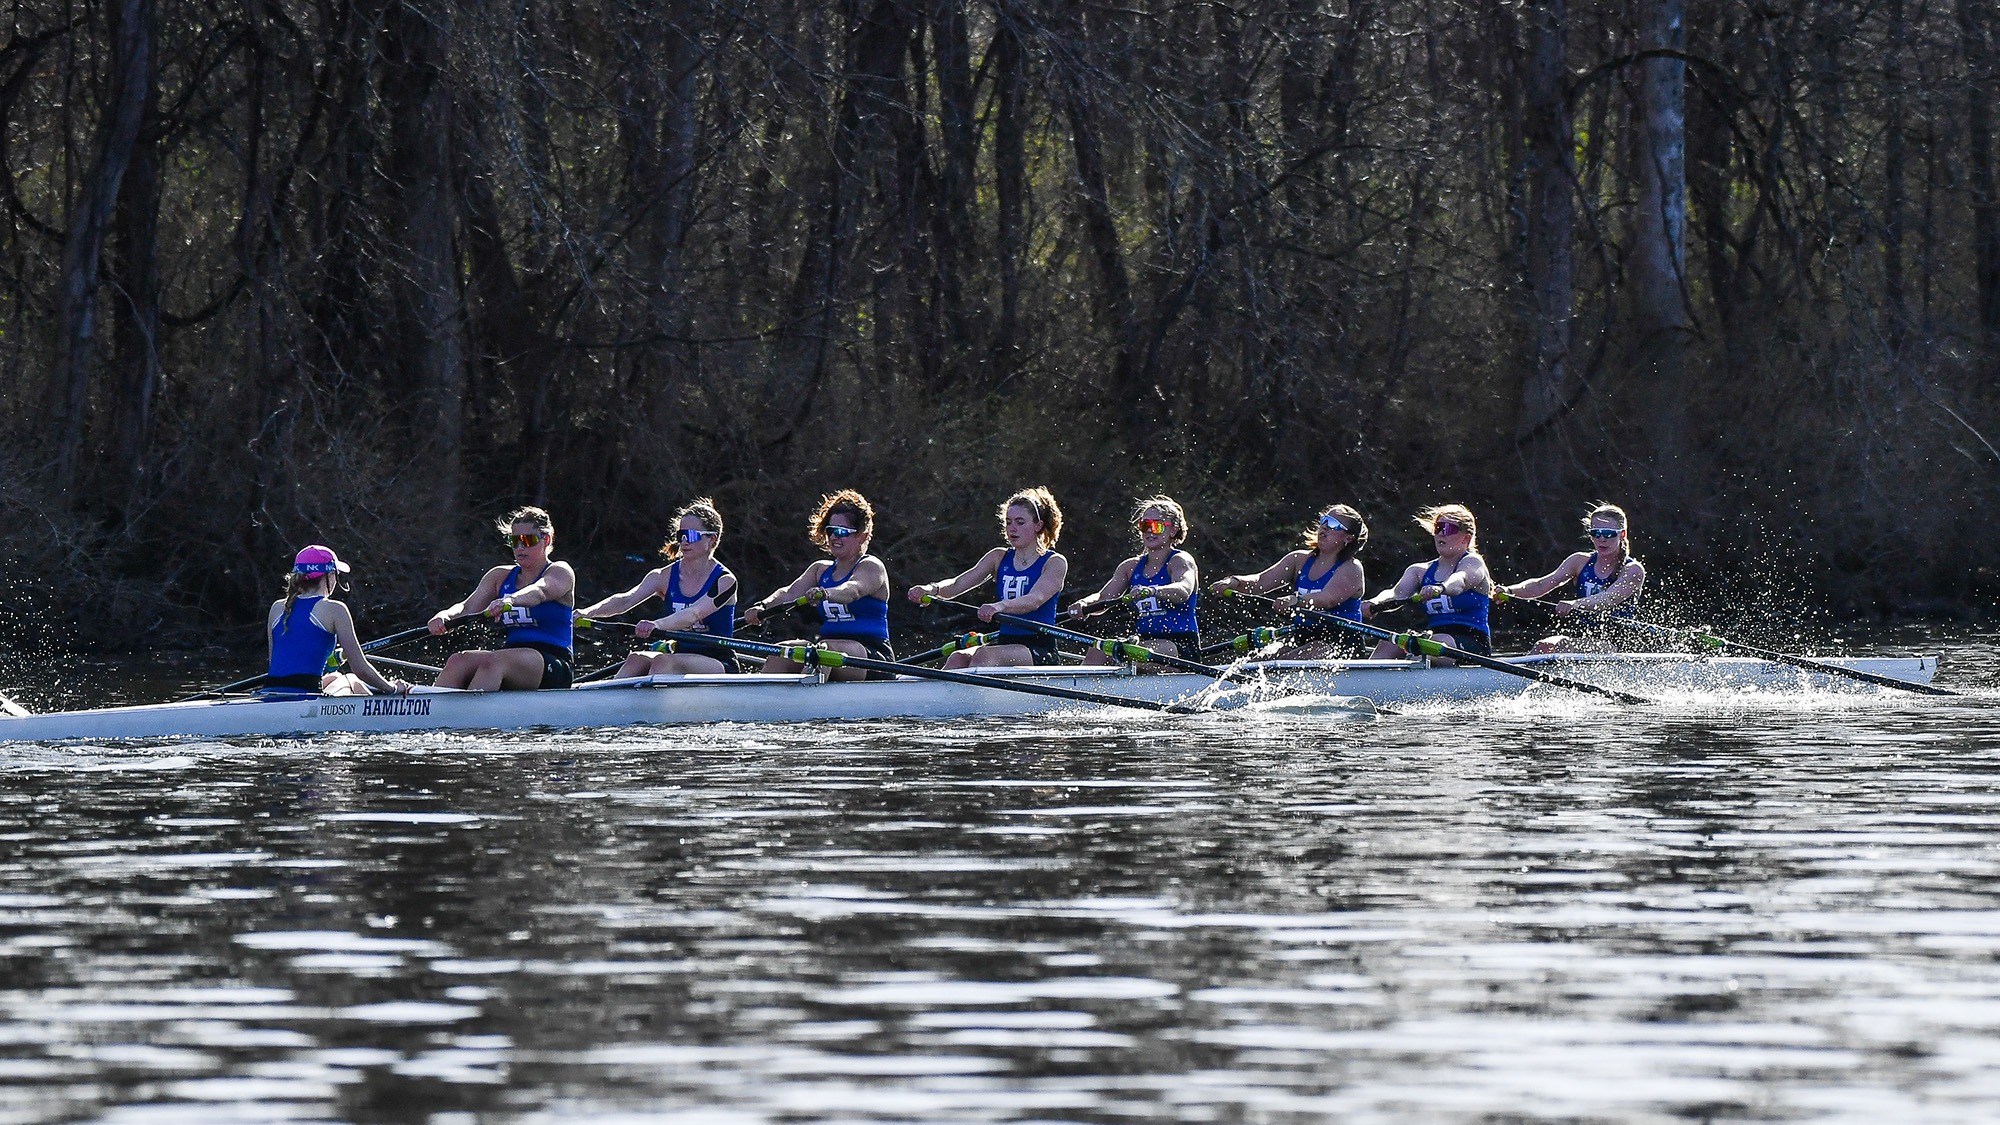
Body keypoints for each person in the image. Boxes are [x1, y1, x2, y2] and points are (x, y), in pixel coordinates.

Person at [908, 487, 1068, 668]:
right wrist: (932, 589)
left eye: (1020, 522)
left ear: (1038, 526)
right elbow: (957, 584)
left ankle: (970, 696)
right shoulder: (998, 557)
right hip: (1005, 642)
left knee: (984, 655)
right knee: (958, 658)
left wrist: (999, 606)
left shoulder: (1054, 562)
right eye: (1008, 522)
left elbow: (1034, 600)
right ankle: (936, 696)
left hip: (1038, 648)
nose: (1012, 528)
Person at [745, 490, 894, 681]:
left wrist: (825, 594)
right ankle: (759, 701)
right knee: (782, 652)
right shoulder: (820, 570)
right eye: (830, 530)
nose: (834, 537)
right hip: (826, 651)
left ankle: (808, 700)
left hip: (872, 657)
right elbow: (788, 593)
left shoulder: (872, 566)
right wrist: (763, 606)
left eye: (842, 532)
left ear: (862, 536)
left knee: (824, 652)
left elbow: (852, 590)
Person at [579, 499, 738, 678]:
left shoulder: (725, 581)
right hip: (680, 654)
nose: (684, 542)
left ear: (712, 539)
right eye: (681, 535)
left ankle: (649, 703)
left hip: (717, 662)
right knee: (636, 659)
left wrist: (656, 625)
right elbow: (625, 600)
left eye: (691, 535)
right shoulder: (662, 576)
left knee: (663, 662)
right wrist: (586, 613)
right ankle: (605, 702)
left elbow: (694, 614)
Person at [427, 507, 577, 690]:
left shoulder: (560, 571)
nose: (520, 547)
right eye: (514, 541)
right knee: (458, 660)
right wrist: (445, 616)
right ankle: (433, 712)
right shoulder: (499, 576)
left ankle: (471, 716)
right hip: (512, 657)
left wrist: (510, 601)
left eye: (527, 540)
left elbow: (540, 591)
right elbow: (467, 608)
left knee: (494, 661)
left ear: (546, 540)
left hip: (553, 662)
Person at [1209, 504, 1369, 658]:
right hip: (1303, 637)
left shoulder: (1352, 568)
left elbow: (1327, 599)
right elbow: (1259, 582)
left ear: (1348, 538)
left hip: (1340, 644)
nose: (1325, 527)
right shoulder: (1298, 560)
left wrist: (1296, 600)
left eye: (1333, 524)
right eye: (1324, 520)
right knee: (1261, 662)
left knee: (1290, 662)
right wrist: (1234, 582)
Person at [263, 545, 411, 697]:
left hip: (270, 692)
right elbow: (360, 670)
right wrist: (392, 688)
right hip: (305, 697)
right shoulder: (335, 609)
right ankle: (386, 716)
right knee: (351, 680)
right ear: (330, 575)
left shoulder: (277, 608)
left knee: (334, 677)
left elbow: (279, 663)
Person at [1067, 496, 1201, 663]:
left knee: (1131, 653)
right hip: (1143, 643)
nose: (1149, 531)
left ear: (1172, 530)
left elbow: (1183, 590)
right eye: (1145, 525)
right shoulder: (1130, 567)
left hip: (1178, 646)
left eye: (1157, 526)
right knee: (1097, 651)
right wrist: (1084, 603)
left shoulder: (1180, 560)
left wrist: (1153, 591)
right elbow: (1103, 598)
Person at [1501, 502, 1647, 653]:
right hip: (1583, 637)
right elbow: (1540, 585)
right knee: (1543, 646)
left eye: (1608, 533)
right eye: (1596, 533)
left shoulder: (1632, 570)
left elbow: (1608, 599)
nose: (1602, 539)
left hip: (1616, 643)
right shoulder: (1579, 561)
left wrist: (1575, 604)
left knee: (1563, 647)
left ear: (1622, 534)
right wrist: (1509, 591)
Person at [1363, 504, 1492, 663]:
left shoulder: (1473, 562)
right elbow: (1396, 594)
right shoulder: (1419, 571)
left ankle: (1412, 674)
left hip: (1472, 642)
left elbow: (1460, 581)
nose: (1439, 534)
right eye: (1437, 528)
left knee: (1429, 644)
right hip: (1433, 639)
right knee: (1389, 643)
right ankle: (1361, 683)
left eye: (1447, 528)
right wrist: (1374, 603)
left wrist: (1440, 588)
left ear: (1466, 537)